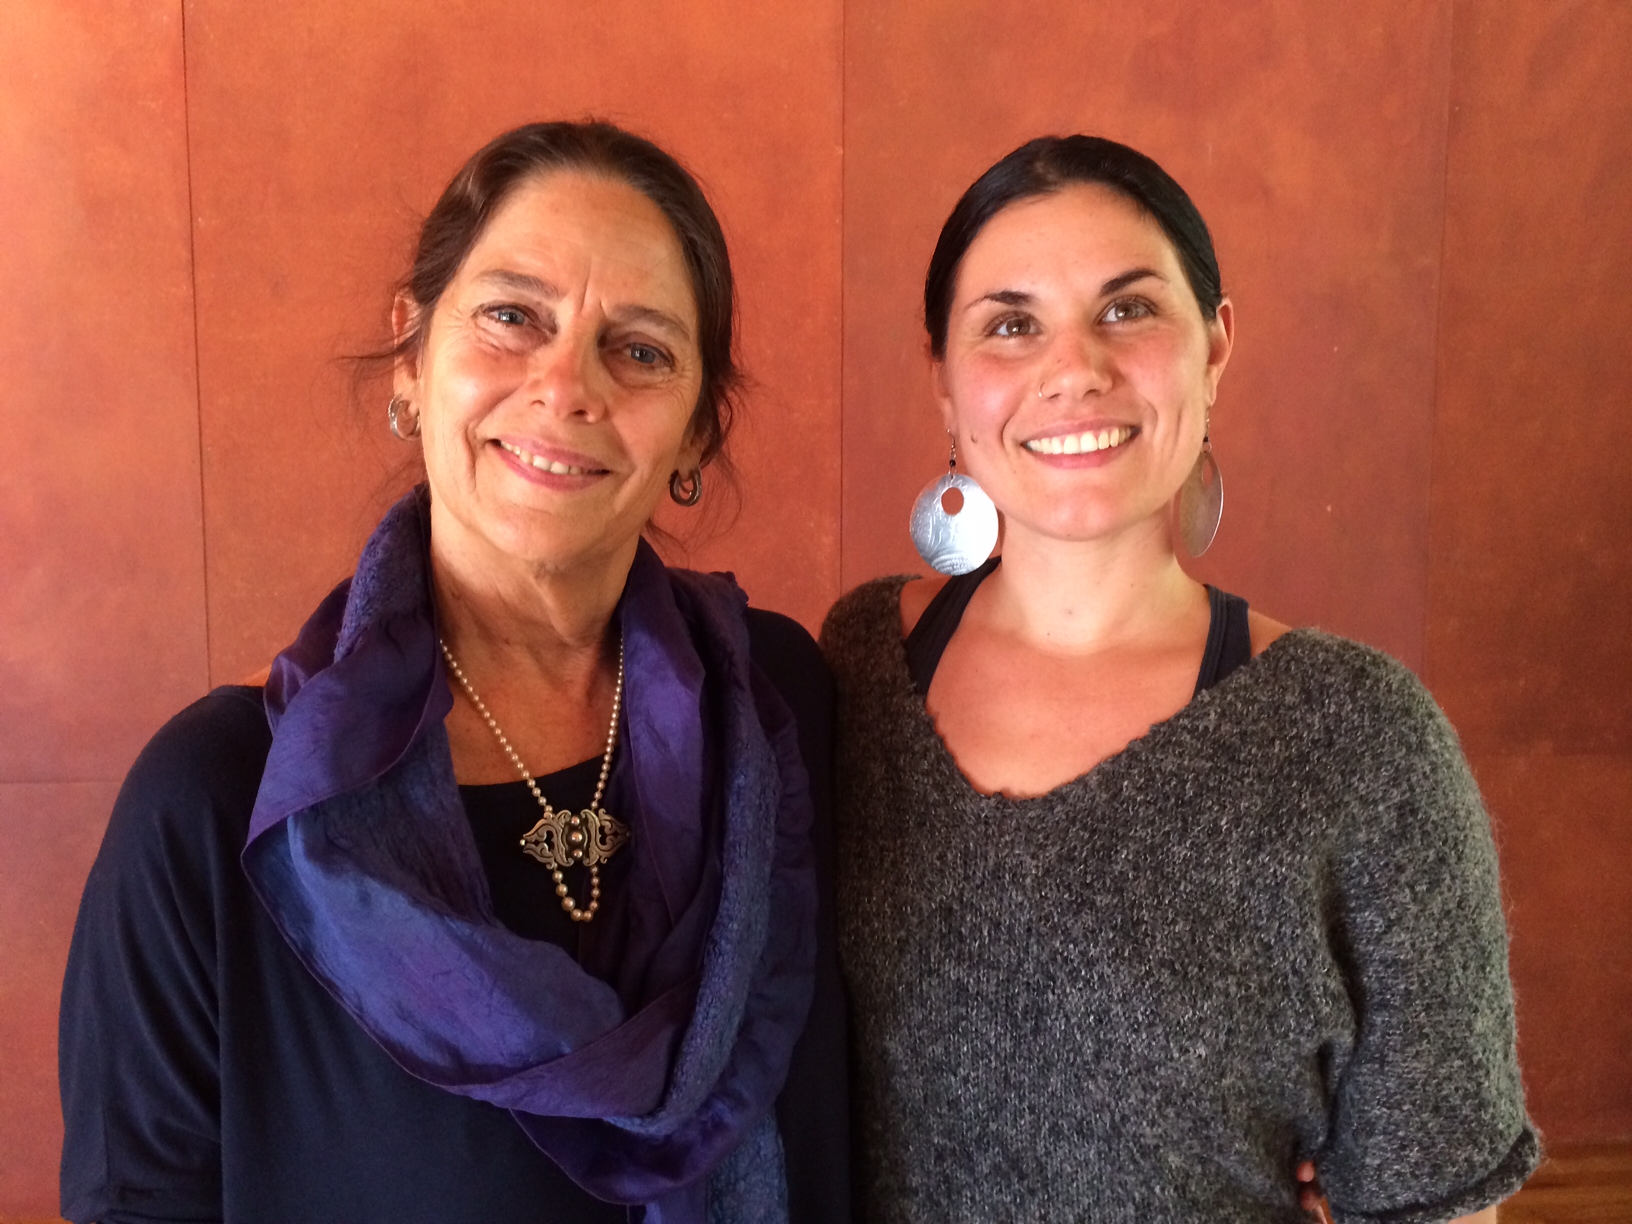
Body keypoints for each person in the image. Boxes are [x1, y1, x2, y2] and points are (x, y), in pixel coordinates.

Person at [60, 121, 848, 1224]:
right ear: (413, 357)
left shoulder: (776, 707)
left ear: (695, 433)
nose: (565, 387)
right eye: (513, 317)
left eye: (640, 350)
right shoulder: (222, 801)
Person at [820, 135, 1538, 1223]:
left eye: (1127, 310)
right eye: (1011, 324)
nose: (1074, 370)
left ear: (1214, 348)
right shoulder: (852, 669)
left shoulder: (1361, 740)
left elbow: (1439, 1197)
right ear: (944, 382)